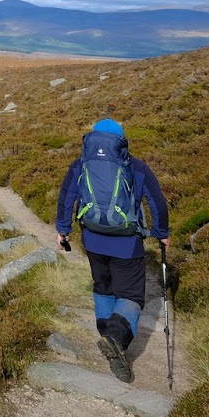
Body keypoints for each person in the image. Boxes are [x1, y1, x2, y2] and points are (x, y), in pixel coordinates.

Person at [55, 117, 169, 383]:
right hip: (127, 243)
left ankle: (106, 333)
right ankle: (115, 338)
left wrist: (63, 230)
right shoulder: (136, 167)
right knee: (131, 295)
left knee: (103, 286)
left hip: (92, 240)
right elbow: (157, 202)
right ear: (120, 142)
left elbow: (66, 197)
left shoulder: (80, 165)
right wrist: (162, 234)